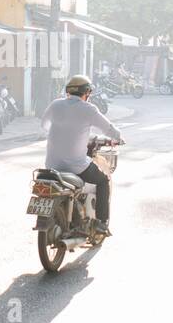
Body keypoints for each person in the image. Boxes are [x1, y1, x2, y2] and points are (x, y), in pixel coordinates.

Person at [41, 75, 122, 234]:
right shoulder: (88, 109)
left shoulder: (55, 105)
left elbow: (44, 125)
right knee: (103, 181)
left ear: (68, 92)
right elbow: (108, 129)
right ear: (86, 93)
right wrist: (118, 137)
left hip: (51, 164)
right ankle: (101, 222)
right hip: (76, 166)